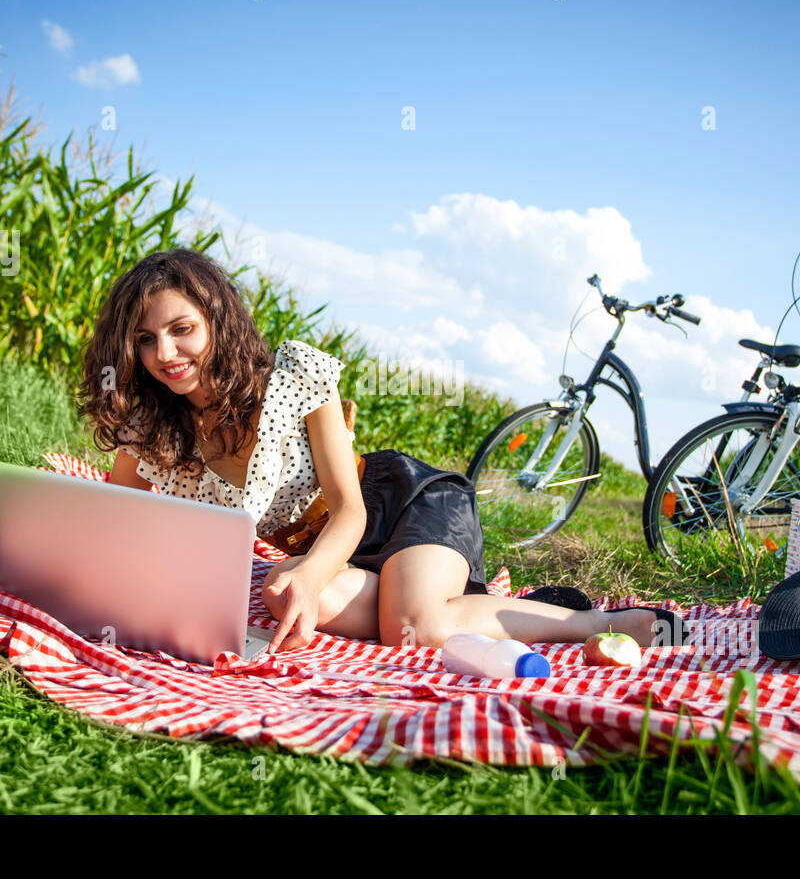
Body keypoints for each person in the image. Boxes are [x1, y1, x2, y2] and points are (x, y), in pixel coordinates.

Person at [78, 248, 686, 655]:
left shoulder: (295, 376)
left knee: (411, 627)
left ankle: (593, 624)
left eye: (181, 329)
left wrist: (315, 577)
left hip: (398, 503)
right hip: (327, 546)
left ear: (216, 319)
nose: (165, 352)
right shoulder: (150, 429)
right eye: (145, 340)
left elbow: (349, 509)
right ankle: (496, 610)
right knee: (280, 589)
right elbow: (123, 526)